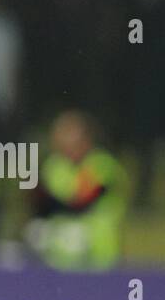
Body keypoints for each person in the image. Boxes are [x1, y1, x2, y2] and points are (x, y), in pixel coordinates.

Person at [32, 110, 127, 270]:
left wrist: (53, 204)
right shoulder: (54, 166)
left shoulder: (102, 165)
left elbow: (82, 202)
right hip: (60, 257)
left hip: (99, 256)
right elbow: (43, 205)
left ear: (85, 137)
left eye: (67, 132)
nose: (61, 138)